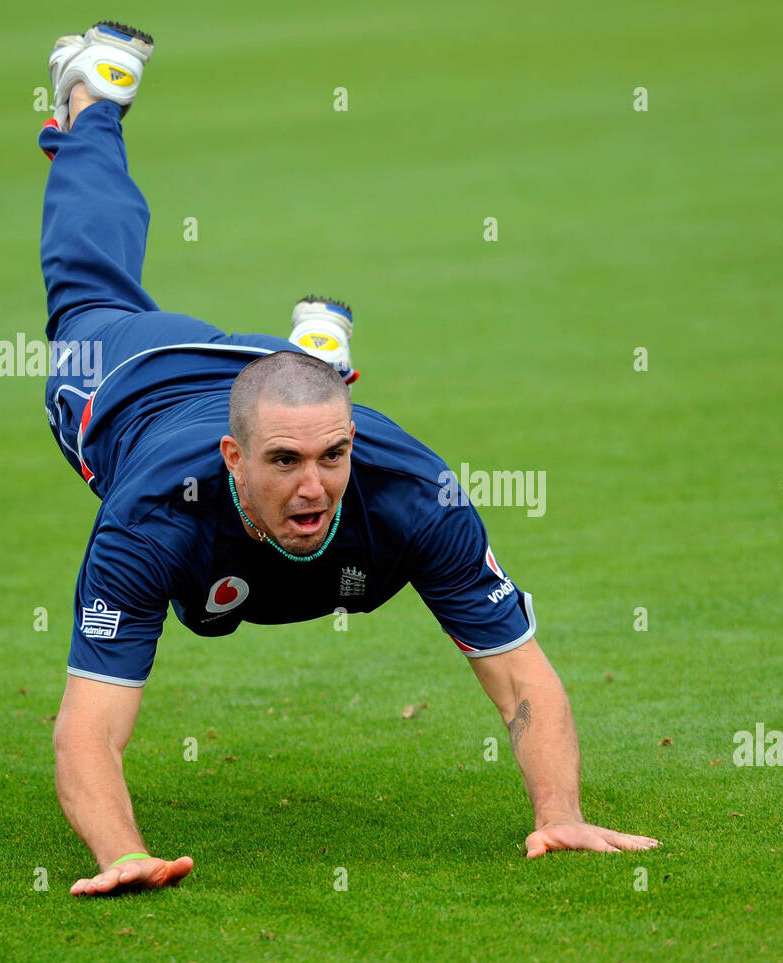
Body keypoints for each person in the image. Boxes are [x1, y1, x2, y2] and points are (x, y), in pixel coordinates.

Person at [39, 23, 658, 897]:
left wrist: (558, 813)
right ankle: (92, 103)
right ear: (232, 458)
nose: (313, 487)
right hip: (130, 372)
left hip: (273, 380)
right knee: (84, 287)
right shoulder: (149, 520)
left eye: (333, 458)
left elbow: (521, 674)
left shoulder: (413, 495)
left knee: (303, 406)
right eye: (285, 463)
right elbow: (87, 730)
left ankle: (314, 358)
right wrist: (121, 853)